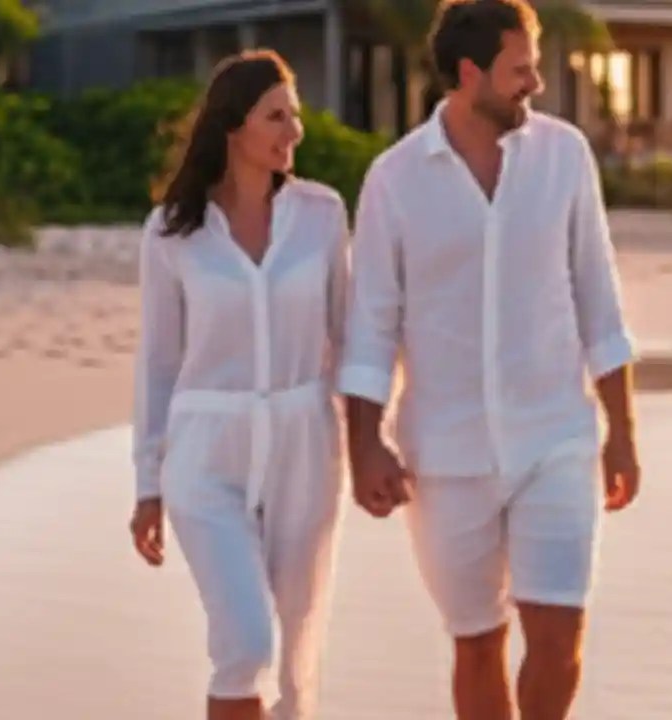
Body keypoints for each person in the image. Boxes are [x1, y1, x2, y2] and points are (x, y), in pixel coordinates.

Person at [339, 1, 642, 718]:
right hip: (446, 455)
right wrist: (364, 443)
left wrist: (622, 431)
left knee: (559, 631)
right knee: (477, 643)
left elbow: (598, 298)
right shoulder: (395, 179)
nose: (535, 83)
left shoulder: (564, 156)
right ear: (470, 73)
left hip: (556, 439)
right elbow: (372, 323)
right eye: (520, 70)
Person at [128, 50, 349, 720]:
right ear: (233, 126)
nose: (294, 131)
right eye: (276, 116)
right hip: (206, 453)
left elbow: (349, 338)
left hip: (305, 446)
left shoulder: (322, 214)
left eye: (295, 115)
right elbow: (159, 362)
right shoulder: (172, 231)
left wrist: (375, 439)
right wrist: (148, 484)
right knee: (245, 644)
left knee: (296, 667)